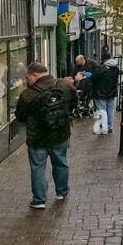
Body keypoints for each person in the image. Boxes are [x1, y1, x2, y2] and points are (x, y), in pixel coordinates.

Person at [14, 61, 77, 208]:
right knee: (61, 162)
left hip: (37, 137)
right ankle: (62, 192)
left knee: (38, 167)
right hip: (60, 133)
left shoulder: (27, 94)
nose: (27, 81)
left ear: (34, 75)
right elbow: (73, 103)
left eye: (28, 78)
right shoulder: (65, 86)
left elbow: (21, 116)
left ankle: (39, 200)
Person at [88, 55, 120, 134]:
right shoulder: (116, 68)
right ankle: (110, 126)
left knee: (102, 110)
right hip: (112, 92)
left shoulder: (102, 68)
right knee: (110, 110)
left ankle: (104, 129)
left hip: (101, 93)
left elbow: (93, 78)